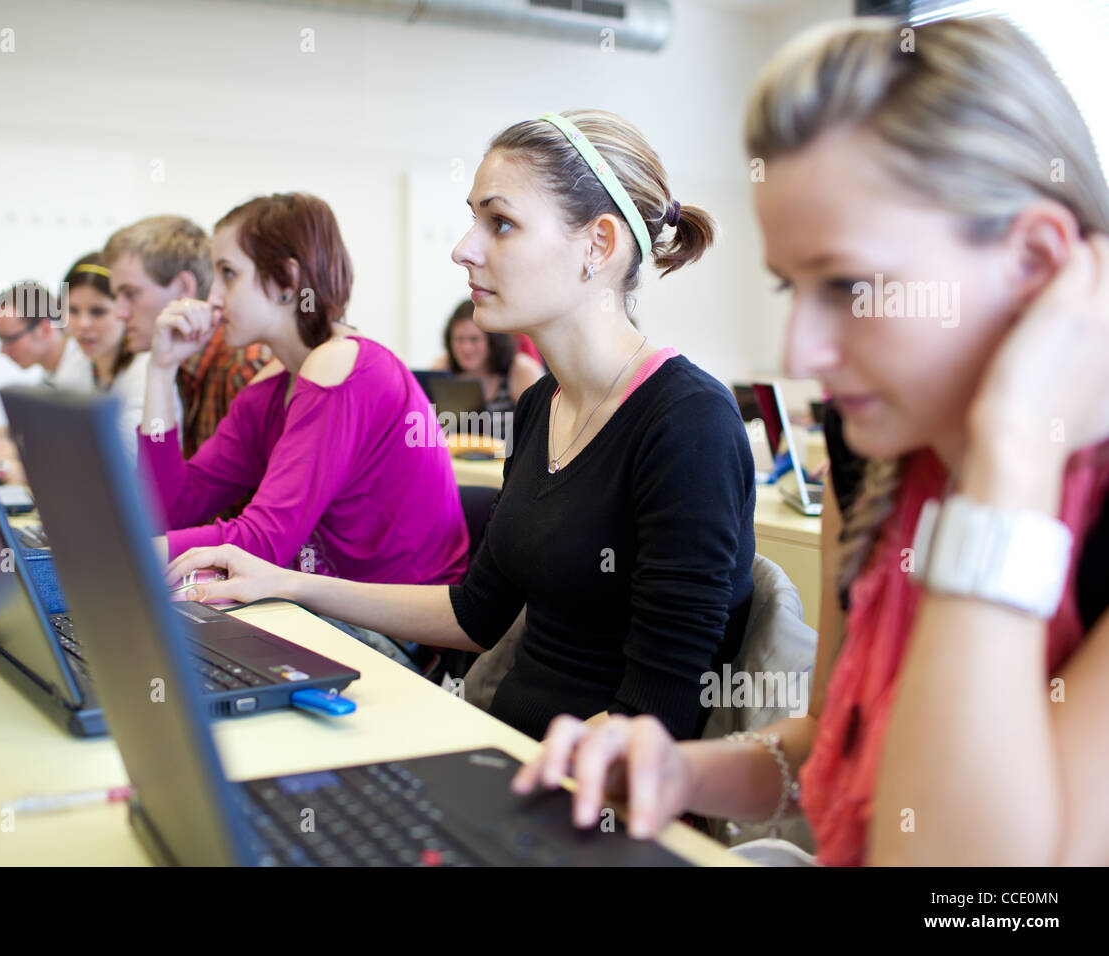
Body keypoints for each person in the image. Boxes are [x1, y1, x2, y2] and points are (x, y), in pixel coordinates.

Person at [515, 16, 1109, 867]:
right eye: (795, 287)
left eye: (852, 285)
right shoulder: (878, 457)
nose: (801, 354)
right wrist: (678, 773)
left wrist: (1007, 461)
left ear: (1038, 259)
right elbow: (840, 745)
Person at [164, 111, 757, 743]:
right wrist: (283, 583)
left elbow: (653, 722)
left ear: (598, 246)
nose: (463, 248)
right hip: (498, 747)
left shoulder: (689, 424)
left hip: (588, 799)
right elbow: (476, 613)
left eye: (499, 223)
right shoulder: (543, 408)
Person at [139, 192, 469, 616]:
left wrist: (135, 550)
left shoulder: (345, 365)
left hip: (400, 631)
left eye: (228, 274)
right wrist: (161, 370)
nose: (214, 298)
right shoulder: (273, 385)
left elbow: (263, 543)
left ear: (287, 280)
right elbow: (170, 510)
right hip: (323, 611)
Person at [105, 215, 272, 459]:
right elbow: (162, 481)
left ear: (184, 289)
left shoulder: (243, 367)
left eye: (130, 294)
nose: (119, 313)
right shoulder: (176, 367)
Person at [61, 254, 167, 462]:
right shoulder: (77, 364)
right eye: (73, 310)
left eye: (98, 312)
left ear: (124, 312)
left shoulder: (147, 368)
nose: (83, 324)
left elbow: (129, 456)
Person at [431, 299, 543, 414]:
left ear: (493, 341)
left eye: (474, 339)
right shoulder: (444, 366)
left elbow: (537, 425)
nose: (466, 348)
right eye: (459, 339)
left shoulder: (521, 369)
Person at [0, 281, 91, 388]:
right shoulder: (53, 378)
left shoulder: (89, 378)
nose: (2, 351)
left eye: (9, 339)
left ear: (44, 329)